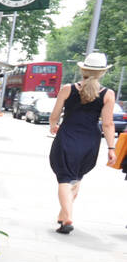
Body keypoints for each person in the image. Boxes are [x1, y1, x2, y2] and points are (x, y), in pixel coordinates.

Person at [48, 52, 118, 233]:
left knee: (64, 178)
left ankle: (68, 217)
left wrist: (53, 125)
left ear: (83, 70)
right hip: (90, 140)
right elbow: (108, 123)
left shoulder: (67, 89)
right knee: (76, 178)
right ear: (102, 73)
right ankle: (63, 217)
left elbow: (55, 115)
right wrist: (111, 148)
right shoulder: (108, 94)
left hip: (67, 136)